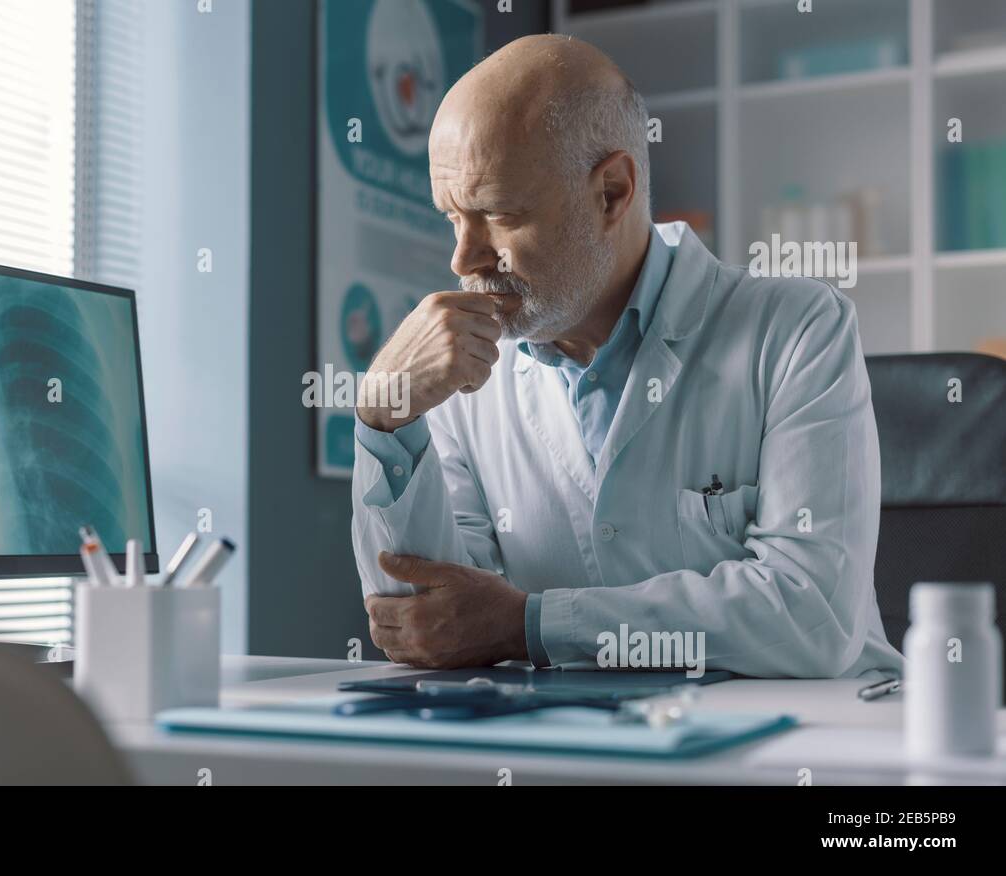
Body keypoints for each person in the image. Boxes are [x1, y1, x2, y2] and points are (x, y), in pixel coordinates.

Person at [351, 35, 904, 678]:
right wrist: (385, 418)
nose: (463, 259)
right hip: (590, 749)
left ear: (612, 191)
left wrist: (528, 623)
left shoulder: (798, 328)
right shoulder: (465, 375)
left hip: (815, 748)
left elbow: (812, 616)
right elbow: (430, 623)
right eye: (453, 217)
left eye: (498, 213)